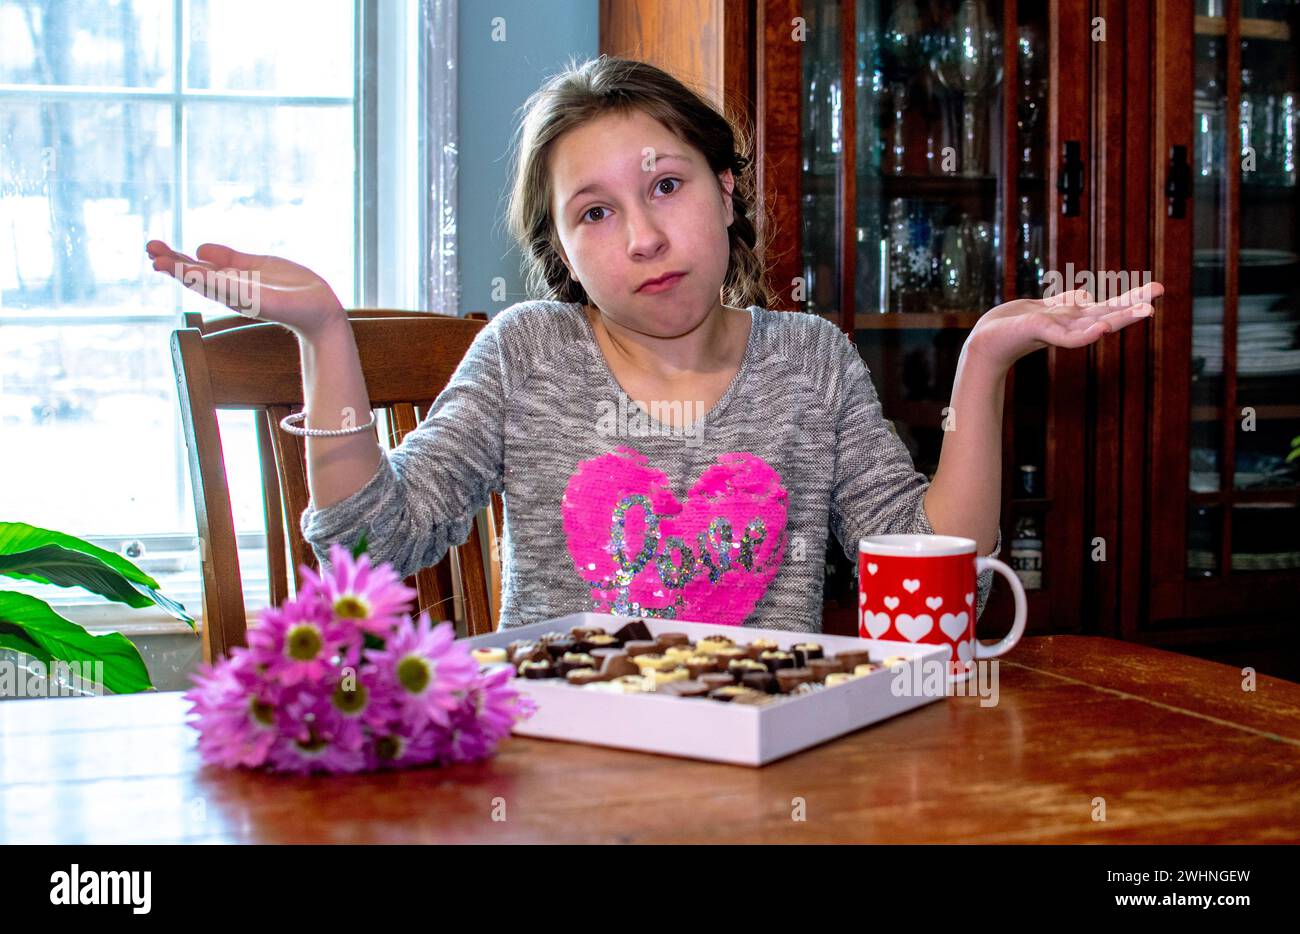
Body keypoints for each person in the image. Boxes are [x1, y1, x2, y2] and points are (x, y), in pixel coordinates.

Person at [146, 55, 1160, 633]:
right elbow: (376, 541)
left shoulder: (810, 360)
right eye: (594, 213)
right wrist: (326, 333)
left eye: (666, 186)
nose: (639, 236)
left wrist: (983, 360)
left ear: (726, 192)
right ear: (564, 255)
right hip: (555, 769)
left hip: (776, 773)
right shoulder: (523, 353)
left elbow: (940, 560)